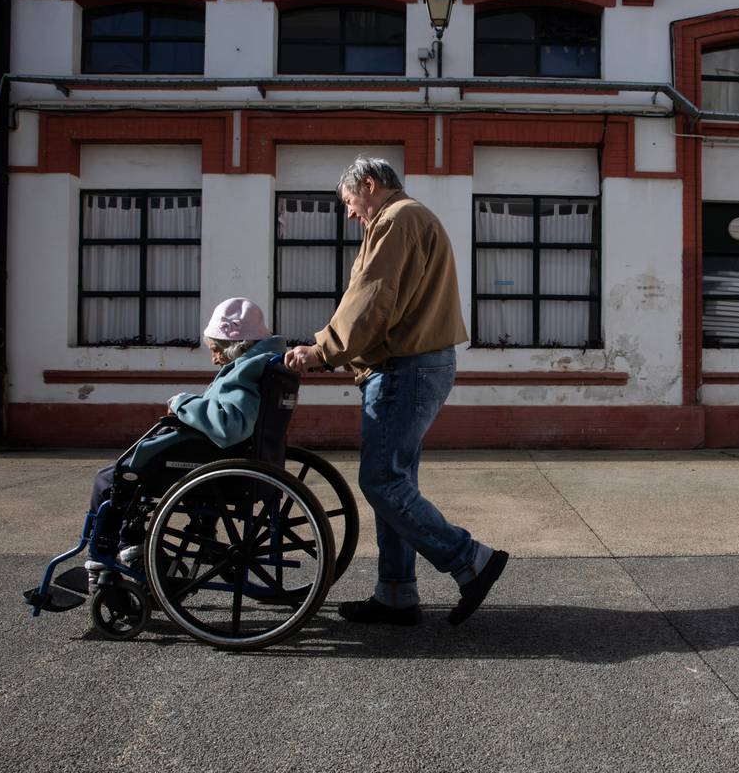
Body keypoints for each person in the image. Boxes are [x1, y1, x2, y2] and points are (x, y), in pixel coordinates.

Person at [284, 156, 508, 627]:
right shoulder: (410, 217)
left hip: (404, 367)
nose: (349, 213)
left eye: (349, 201)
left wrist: (322, 350)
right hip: (418, 365)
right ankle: (396, 593)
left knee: (382, 482)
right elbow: (374, 299)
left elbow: (371, 299)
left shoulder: (396, 219)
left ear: (369, 185)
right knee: (395, 483)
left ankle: (471, 560)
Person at [87, 297, 286, 567]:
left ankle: (108, 552)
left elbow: (231, 426)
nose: (215, 359)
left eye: (216, 350)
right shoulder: (260, 365)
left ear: (234, 347)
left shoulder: (246, 372)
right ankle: (200, 533)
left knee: (109, 479)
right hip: (231, 460)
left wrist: (182, 402)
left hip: (215, 463)